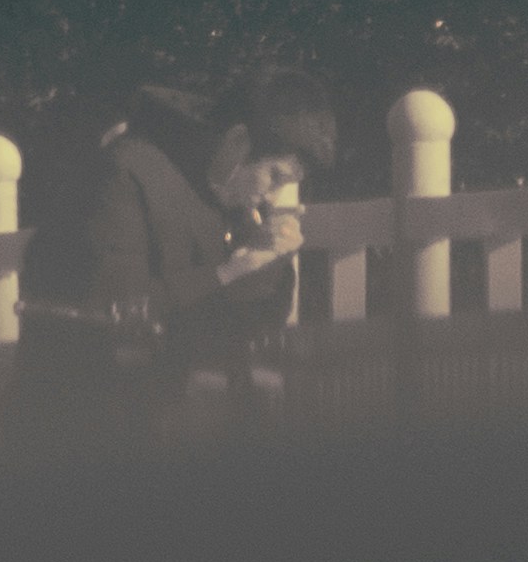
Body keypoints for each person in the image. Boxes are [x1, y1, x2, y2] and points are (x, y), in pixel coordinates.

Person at [17, 68, 333, 436]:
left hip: (176, 415)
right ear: (237, 141)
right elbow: (112, 315)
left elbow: (253, 321)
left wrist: (271, 266)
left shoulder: (224, 187)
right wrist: (230, 272)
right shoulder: (124, 173)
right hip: (82, 423)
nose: (273, 194)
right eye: (274, 175)